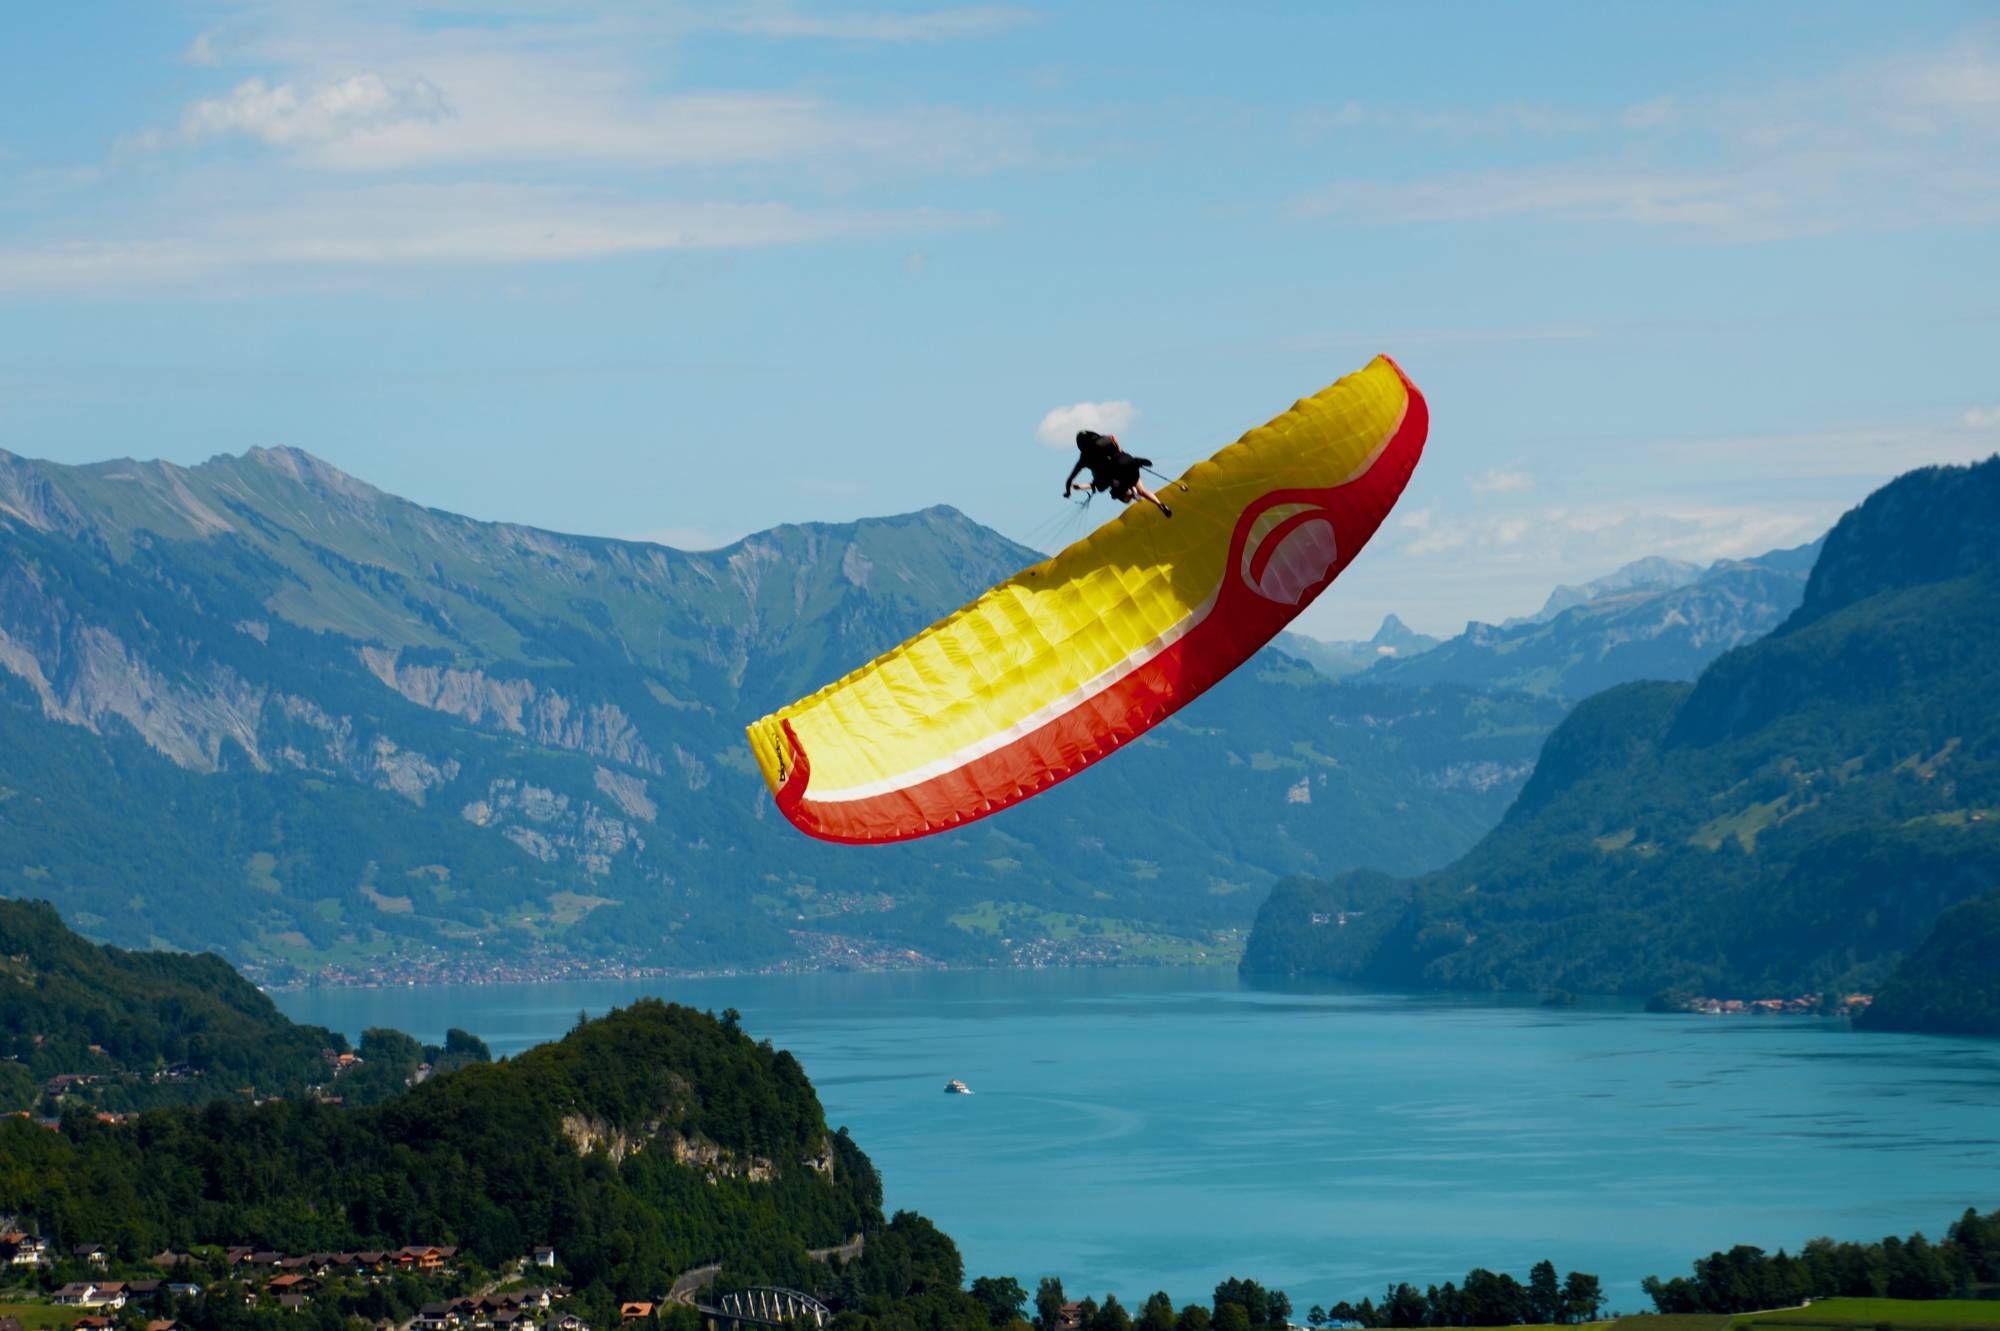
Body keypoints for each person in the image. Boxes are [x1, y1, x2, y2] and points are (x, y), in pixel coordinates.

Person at [1063, 429, 1172, 516]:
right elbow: (1112, 437)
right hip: (1129, 463)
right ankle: (1159, 503)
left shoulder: (1087, 459)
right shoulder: (1105, 439)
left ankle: (1131, 492)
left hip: (1119, 475)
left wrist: (1069, 491)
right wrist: (1119, 450)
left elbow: (1092, 484)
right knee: (1142, 491)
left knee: (1116, 491)